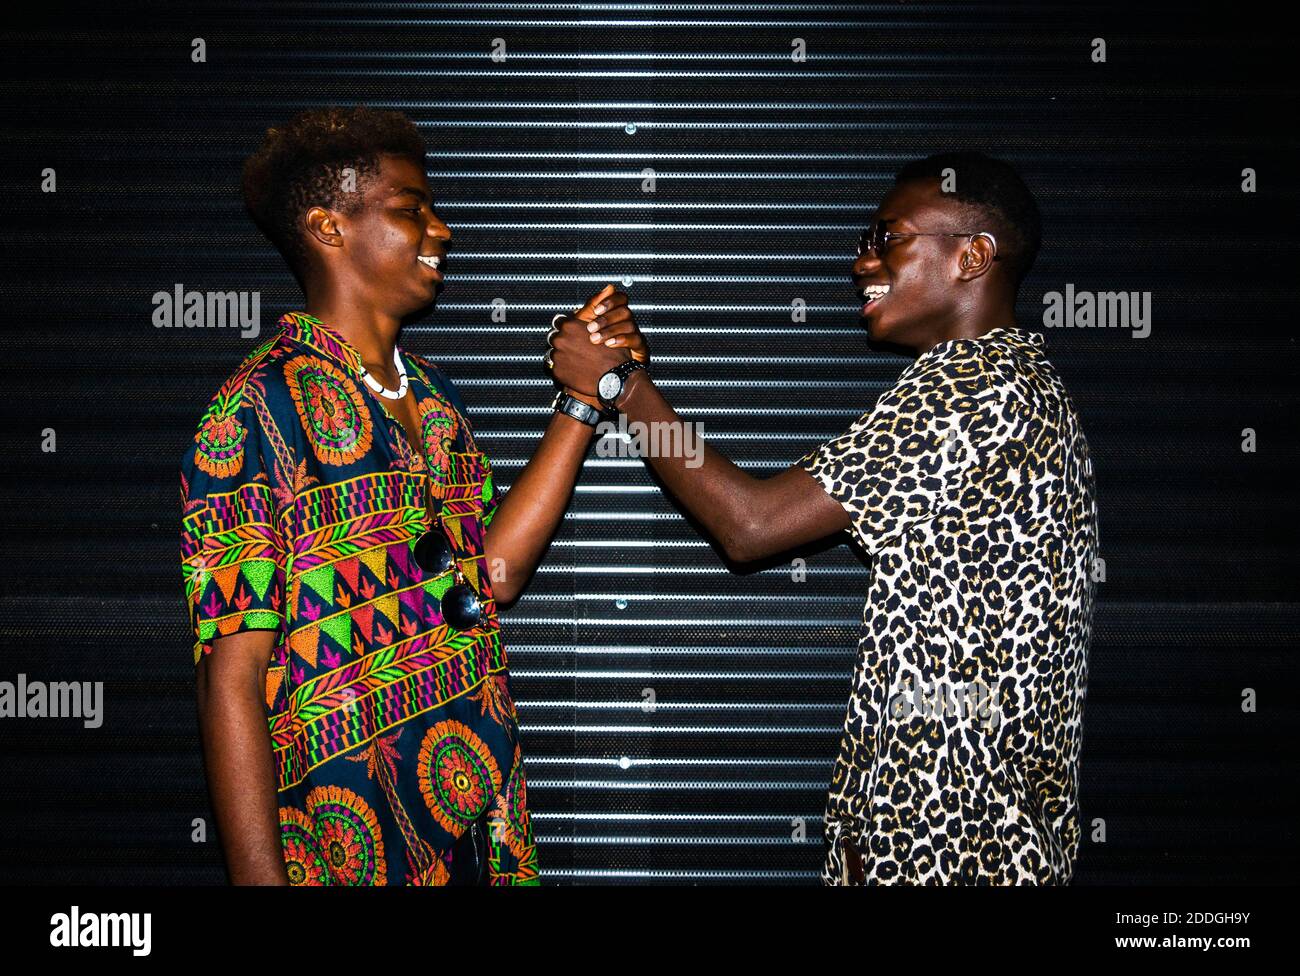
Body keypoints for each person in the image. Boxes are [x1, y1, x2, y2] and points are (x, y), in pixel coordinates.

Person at [549, 151, 1100, 884]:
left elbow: (752, 524)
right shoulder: (1026, 386)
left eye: (888, 238)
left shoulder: (973, 388)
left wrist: (623, 388)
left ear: (972, 256)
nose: (861, 262)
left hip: (952, 849)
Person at [180, 106, 647, 885]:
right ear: (330, 229)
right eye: (411, 209)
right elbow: (228, 679)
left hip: (472, 823)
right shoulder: (256, 412)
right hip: (346, 840)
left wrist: (581, 400)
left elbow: (493, 578)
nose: (441, 230)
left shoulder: (434, 399)